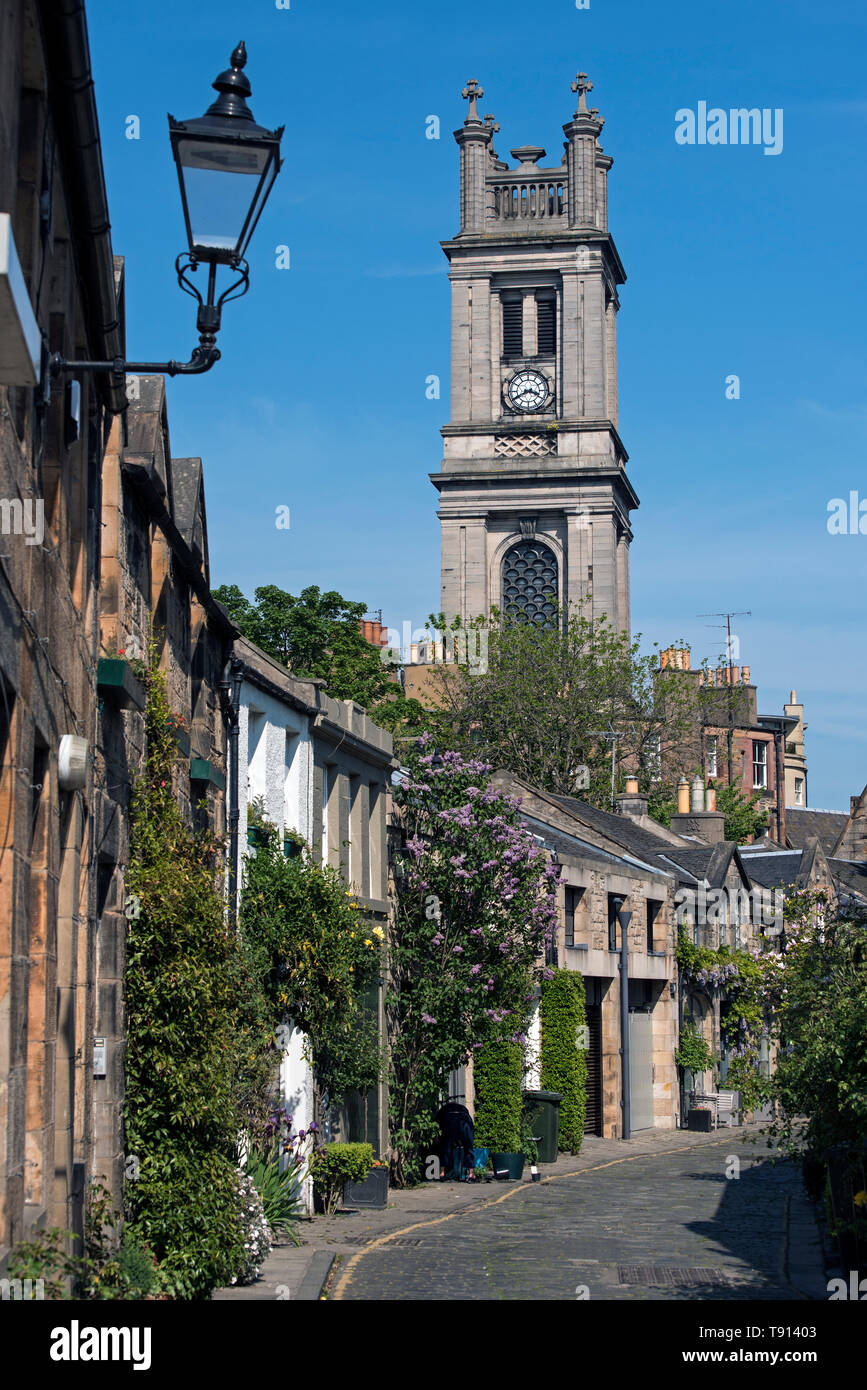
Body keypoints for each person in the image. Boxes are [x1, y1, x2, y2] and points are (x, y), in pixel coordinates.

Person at [436, 1100, 475, 1181]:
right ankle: (471, 1174)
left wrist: (437, 1137)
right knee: (468, 1147)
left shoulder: (444, 1109)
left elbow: (437, 1123)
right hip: (465, 1121)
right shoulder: (463, 1108)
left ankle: (442, 1173)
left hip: (450, 1121)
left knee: (446, 1147)